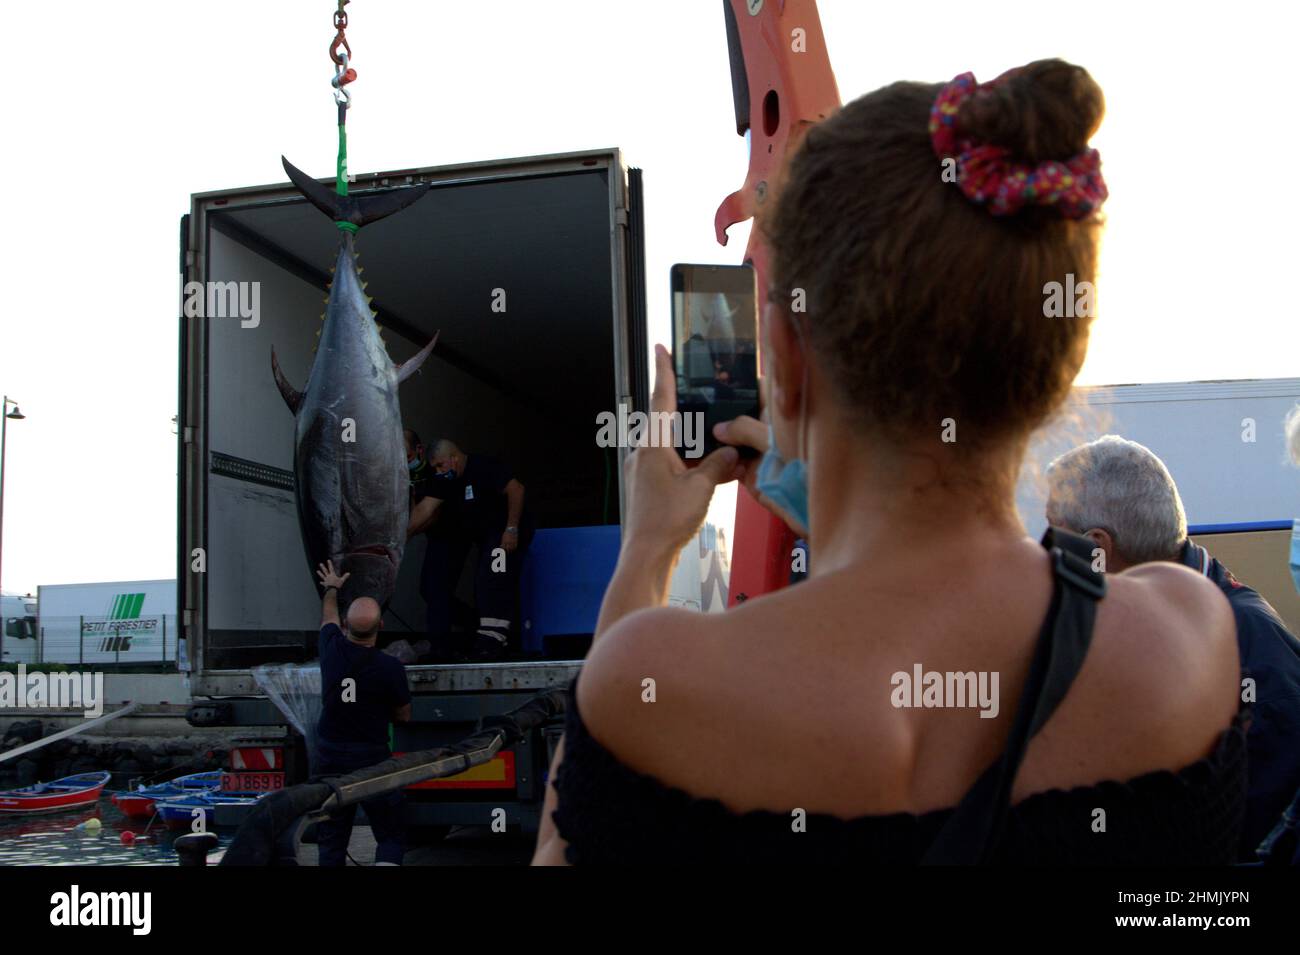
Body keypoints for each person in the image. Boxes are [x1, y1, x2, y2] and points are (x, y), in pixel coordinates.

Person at [533, 59, 1246, 864]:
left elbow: (570, 834)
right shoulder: (1187, 638)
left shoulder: (654, 682)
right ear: (1050, 372)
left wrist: (648, 550)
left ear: (787, 362)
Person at [1045, 434, 1300, 859]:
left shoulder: (1249, 655)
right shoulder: (1152, 615)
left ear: (1097, 548)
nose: (1048, 555)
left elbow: (1246, 847)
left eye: (1055, 535)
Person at [313, 560, 411, 866]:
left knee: (331, 834)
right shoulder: (390, 668)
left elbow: (327, 615)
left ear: (345, 625)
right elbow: (404, 716)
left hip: (328, 758)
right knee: (390, 830)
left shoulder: (330, 650)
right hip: (371, 759)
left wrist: (332, 586)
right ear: (381, 627)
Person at [408, 439, 532, 662]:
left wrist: (511, 528)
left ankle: (493, 642)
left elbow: (517, 489)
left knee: (492, 578)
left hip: (505, 532)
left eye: (440, 466)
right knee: (438, 585)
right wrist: (398, 537)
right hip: (484, 536)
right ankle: (475, 633)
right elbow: (426, 509)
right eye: (434, 467)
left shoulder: (484, 467)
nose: (437, 472)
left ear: (453, 458)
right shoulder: (444, 480)